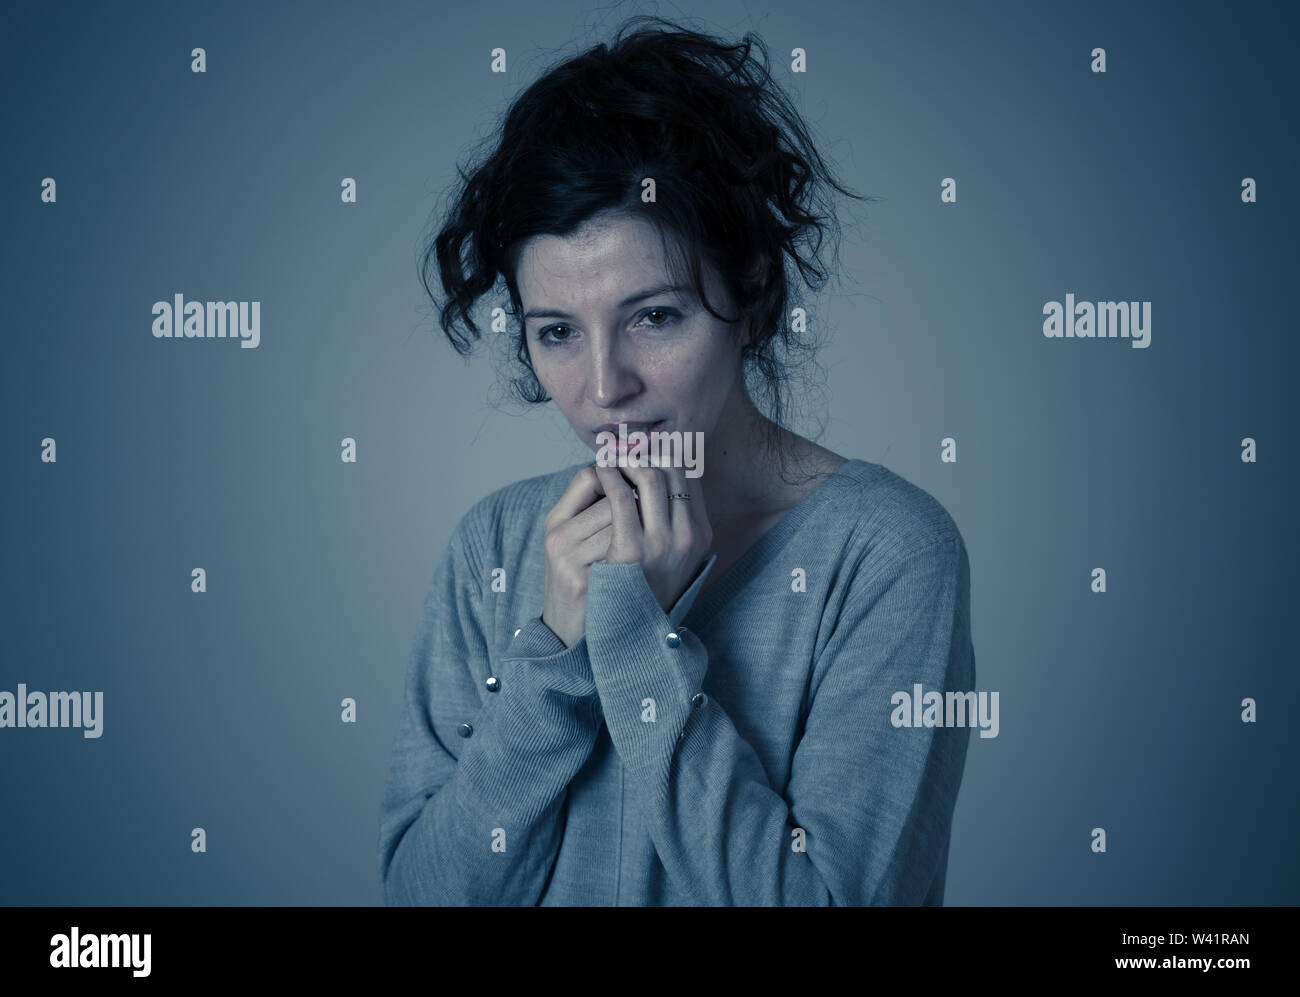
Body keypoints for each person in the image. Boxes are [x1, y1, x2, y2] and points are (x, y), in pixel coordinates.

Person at [378, 15, 975, 905]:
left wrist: (629, 639)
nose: (605, 386)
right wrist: (551, 668)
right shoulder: (494, 548)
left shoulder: (885, 554)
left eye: (654, 316)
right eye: (557, 333)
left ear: (754, 290)